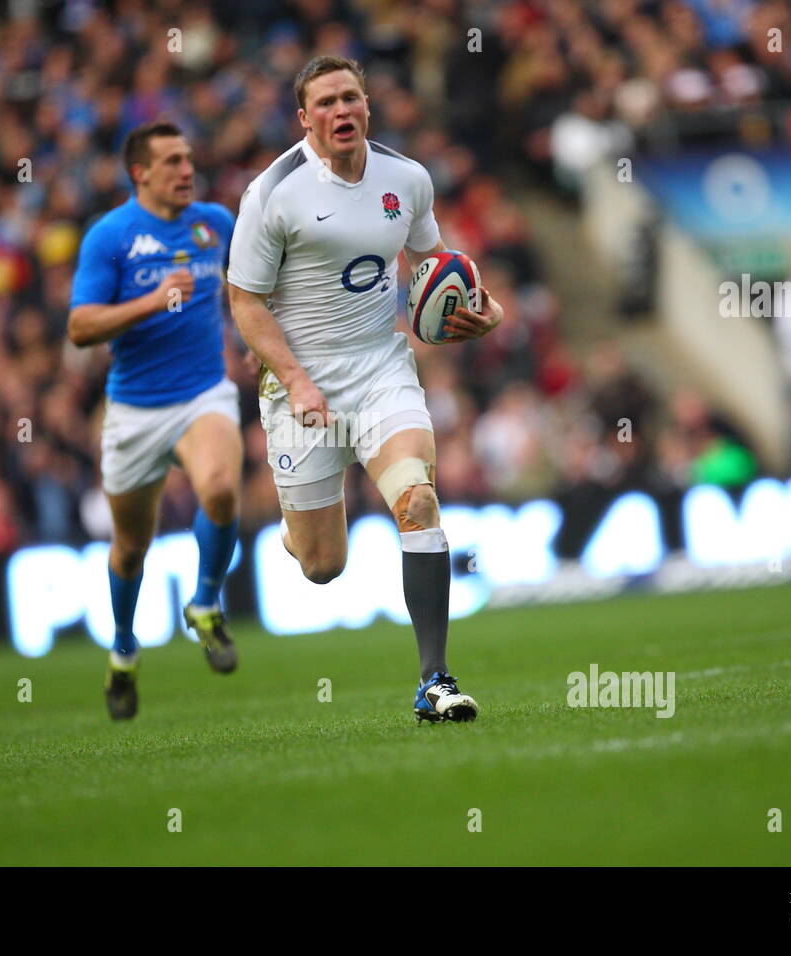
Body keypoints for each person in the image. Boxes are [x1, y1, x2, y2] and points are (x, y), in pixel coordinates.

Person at [227, 57, 504, 723]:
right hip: (302, 386)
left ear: (367, 106)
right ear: (305, 119)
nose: (339, 110)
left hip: (382, 369)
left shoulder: (406, 179)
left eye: (350, 97)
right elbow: (244, 300)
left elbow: (435, 265)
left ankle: (434, 680)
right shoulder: (273, 193)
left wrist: (482, 310)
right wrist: (294, 379)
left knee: (417, 500)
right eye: (324, 103)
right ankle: (304, 535)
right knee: (323, 567)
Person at [68, 121, 242, 721]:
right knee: (131, 548)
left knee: (219, 489)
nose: (186, 169)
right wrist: (153, 300)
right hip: (135, 410)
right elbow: (80, 327)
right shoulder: (110, 237)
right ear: (139, 173)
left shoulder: (215, 223)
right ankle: (122, 649)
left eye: (189, 158)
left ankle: (206, 604)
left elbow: (257, 285)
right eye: (171, 161)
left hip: (203, 392)